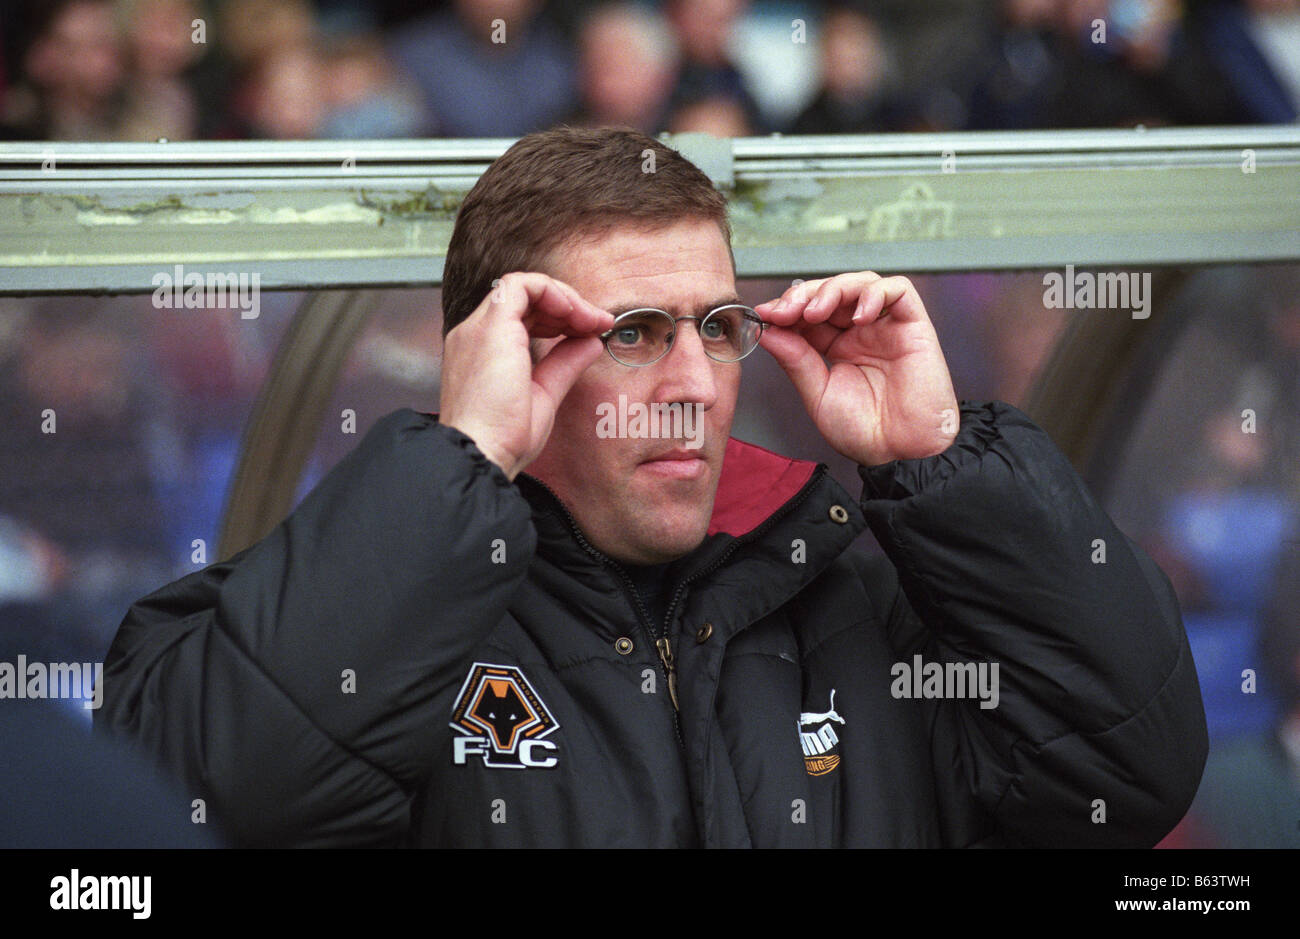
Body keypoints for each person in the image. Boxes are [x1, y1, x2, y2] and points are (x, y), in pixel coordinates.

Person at [97, 126, 1208, 847]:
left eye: (718, 328)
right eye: (630, 333)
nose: (691, 387)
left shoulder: (871, 601)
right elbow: (205, 803)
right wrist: (460, 461)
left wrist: (943, 460)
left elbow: (1128, 771)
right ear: (507, 353)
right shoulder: (374, 626)